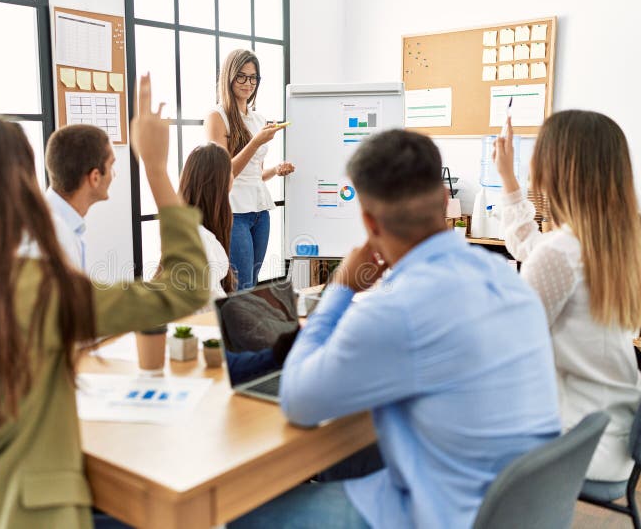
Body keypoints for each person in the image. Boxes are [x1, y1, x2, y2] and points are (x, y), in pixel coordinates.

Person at [0, 74, 209, 529]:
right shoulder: (33, 288)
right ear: (11, 190)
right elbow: (185, 287)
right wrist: (155, 166)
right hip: (8, 515)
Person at [229, 129, 561, 528]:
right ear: (445, 201)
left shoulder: (395, 310)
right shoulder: (510, 281)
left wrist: (340, 290)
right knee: (354, 454)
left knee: (239, 511)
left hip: (439, 515)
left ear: (369, 222)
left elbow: (299, 401)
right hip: (515, 508)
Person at [495, 112, 641, 481]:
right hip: (614, 434)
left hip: (575, 444)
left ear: (553, 170)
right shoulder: (620, 244)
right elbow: (534, 248)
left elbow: (505, 352)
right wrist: (508, 181)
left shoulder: (562, 253)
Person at [205, 48, 295, 290]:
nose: (248, 83)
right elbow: (226, 175)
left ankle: (248, 327)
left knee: (253, 284)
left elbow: (254, 174)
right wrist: (256, 142)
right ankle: (237, 328)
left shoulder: (258, 119)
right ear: (229, 77)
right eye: (241, 76)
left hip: (260, 211)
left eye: (253, 77)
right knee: (241, 285)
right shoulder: (217, 116)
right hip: (234, 212)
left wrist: (276, 170)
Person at [40, 124, 117, 271]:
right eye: (111, 166)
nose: (115, 174)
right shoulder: (56, 237)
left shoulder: (57, 222)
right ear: (95, 177)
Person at [178, 142, 236, 305]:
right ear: (219, 181)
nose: (233, 176)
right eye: (230, 171)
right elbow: (210, 304)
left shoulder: (190, 229)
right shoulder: (202, 240)